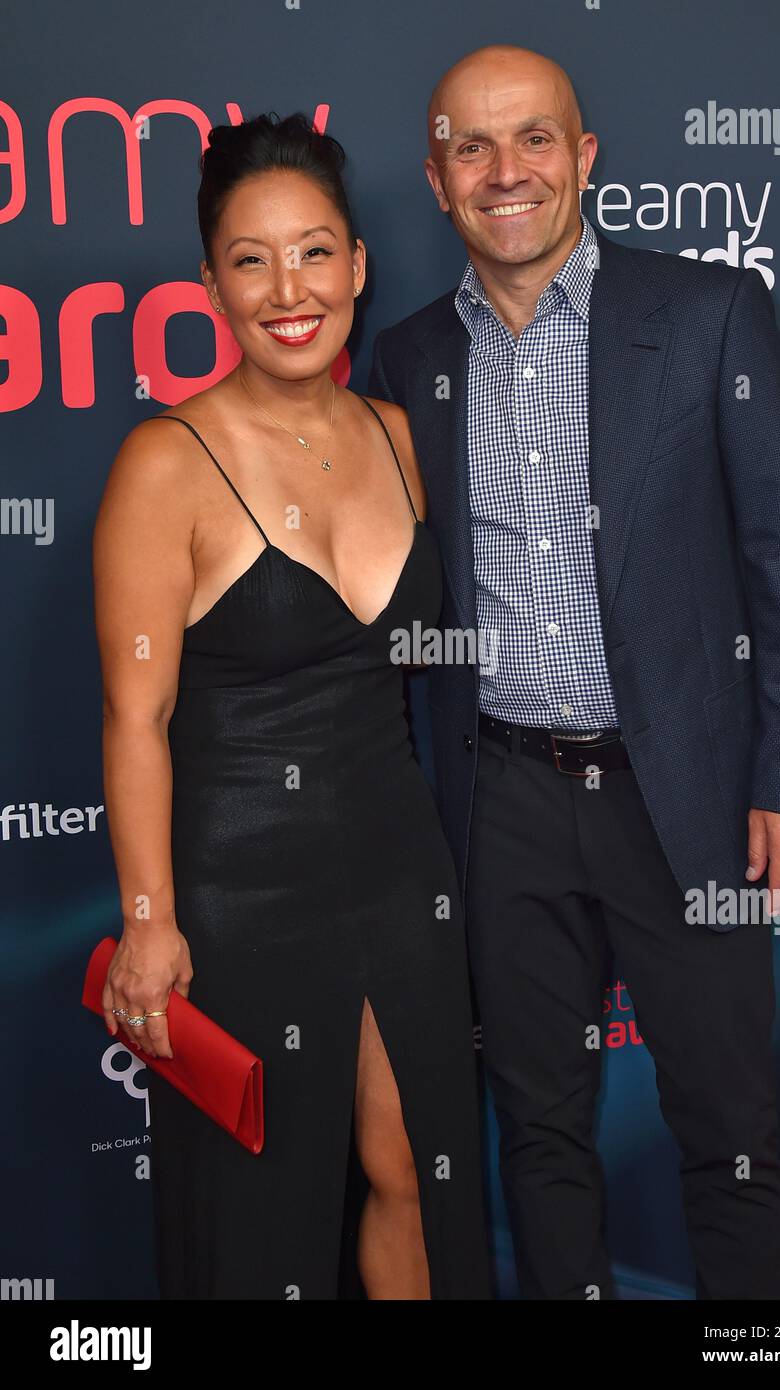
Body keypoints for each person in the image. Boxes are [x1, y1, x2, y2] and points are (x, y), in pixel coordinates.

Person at [368, 45, 780, 1300]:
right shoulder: (408, 363)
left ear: (583, 158)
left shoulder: (707, 319)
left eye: (532, 138)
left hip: (680, 794)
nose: (504, 171)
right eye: (470, 148)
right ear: (434, 182)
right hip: (505, 805)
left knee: (730, 1137)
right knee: (537, 1134)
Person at [93, 111, 491, 1301]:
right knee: (263, 1219)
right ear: (209, 280)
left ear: (359, 266)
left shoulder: (405, 437)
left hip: (395, 860)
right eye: (251, 258)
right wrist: (150, 919)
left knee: (413, 1169)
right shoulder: (165, 461)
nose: (288, 288)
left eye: (314, 251)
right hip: (239, 887)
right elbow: (134, 719)